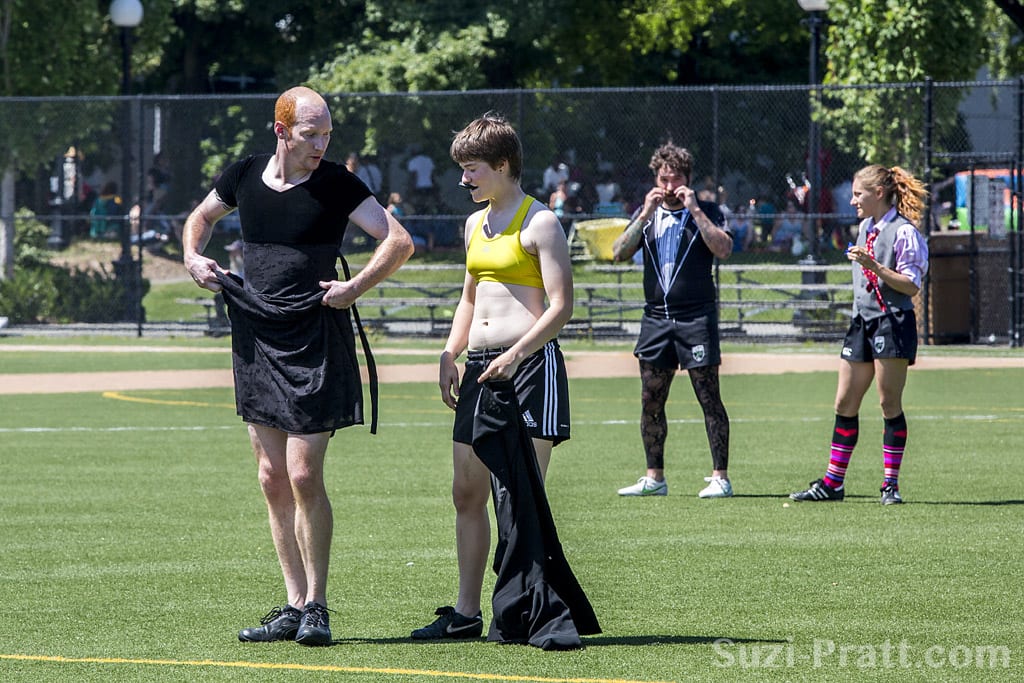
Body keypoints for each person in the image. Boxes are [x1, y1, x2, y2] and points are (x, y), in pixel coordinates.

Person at [182, 86, 414, 646]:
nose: (322, 145)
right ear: (281, 131)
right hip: (256, 333)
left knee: (305, 473)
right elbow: (199, 218)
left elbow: (398, 241)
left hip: (315, 331)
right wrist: (192, 256)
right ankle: (291, 604)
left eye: (327, 134)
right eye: (312, 135)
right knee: (271, 476)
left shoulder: (337, 183)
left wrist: (355, 286)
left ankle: (318, 606)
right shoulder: (243, 174)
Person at [411, 112, 587, 644]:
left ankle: (522, 611)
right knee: (466, 491)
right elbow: (469, 299)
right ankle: (465, 613)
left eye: (473, 169)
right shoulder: (474, 224)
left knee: (515, 496)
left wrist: (515, 354)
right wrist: (449, 353)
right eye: (462, 169)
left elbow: (562, 307)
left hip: (530, 370)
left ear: (504, 165)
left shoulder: (540, 223)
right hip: (480, 370)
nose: (464, 180)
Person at [790, 165, 929, 506]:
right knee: (844, 402)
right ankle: (833, 483)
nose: (852, 201)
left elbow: (911, 284)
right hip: (862, 322)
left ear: (878, 194)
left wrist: (875, 266)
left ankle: (890, 485)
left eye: (858, 194)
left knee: (887, 403)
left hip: (891, 322)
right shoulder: (865, 226)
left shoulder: (903, 232)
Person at [610, 143, 734, 499]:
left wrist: (694, 208)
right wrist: (644, 213)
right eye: (663, 179)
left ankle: (720, 477)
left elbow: (723, 248)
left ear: (688, 180)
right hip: (656, 319)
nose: (668, 186)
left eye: (675, 178)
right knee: (651, 400)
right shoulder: (647, 214)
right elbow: (618, 252)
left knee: (709, 398)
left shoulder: (708, 211)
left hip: (696, 317)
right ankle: (654, 477)